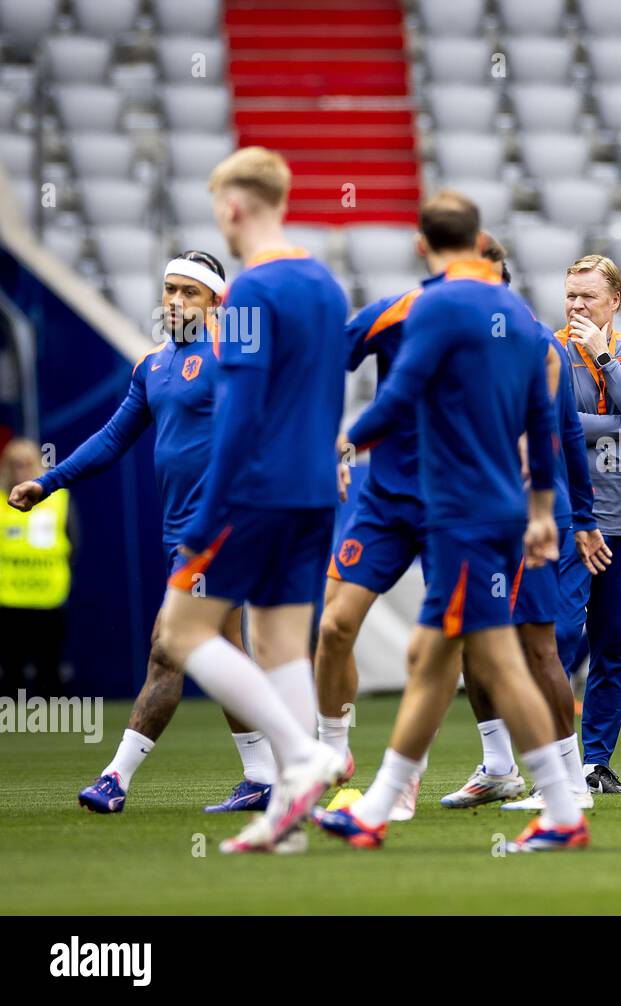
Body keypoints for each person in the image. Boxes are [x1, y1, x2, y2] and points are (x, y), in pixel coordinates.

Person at [313, 190, 587, 853]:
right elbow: (542, 421)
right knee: (446, 658)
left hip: (458, 513)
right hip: (497, 509)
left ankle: (556, 809)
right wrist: (545, 508)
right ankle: (383, 806)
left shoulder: (433, 305)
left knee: (481, 662)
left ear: (421, 245)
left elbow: (400, 396)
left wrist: (344, 440)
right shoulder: (521, 320)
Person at [7, 254, 278, 814]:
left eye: (189, 293)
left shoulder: (234, 359)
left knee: (168, 645)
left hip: (221, 529)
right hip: (178, 532)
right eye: (169, 290)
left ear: (215, 303)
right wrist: (48, 482)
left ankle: (115, 778)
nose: (175, 301)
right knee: (222, 650)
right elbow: (111, 439)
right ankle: (267, 774)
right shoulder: (150, 367)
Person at [156, 147, 351, 854]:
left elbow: (238, 412)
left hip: (253, 495)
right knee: (276, 646)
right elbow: (330, 392)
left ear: (233, 206)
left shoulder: (248, 293)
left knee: (179, 631)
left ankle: (302, 753)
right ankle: (289, 822)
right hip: (311, 495)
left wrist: (208, 514)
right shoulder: (327, 286)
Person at [443, 236, 611, 813]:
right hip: (477, 517)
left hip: (527, 516)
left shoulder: (536, 344)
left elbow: (562, 437)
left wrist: (581, 517)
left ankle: (565, 785)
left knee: (536, 644)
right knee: (474, 639)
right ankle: (498, 767)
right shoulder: (463, 347)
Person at [312, 206, 465, 824]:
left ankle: (420, 778)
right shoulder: (395, 311)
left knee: (452, 647)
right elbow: (329, 363)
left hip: (456, 504)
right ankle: (332, 752)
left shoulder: (501, 323)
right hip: (385, 499)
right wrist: (330, 440)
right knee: (333, 627)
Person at [554, 254, 621, 794]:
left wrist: (604, 358)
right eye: (570, 295)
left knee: (614, 643)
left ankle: (595, 763)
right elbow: (556, 425)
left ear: (613, 301)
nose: (576, 306)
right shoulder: (548, 353)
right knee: (559, 637)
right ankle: (554, 758)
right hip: (570, 518)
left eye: (587, 297)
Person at [1, 437, 76, 699]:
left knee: (49, 670)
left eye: (26, 464)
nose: (21, 470)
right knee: (11, 671)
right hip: (9, 599)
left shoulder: (58, 500)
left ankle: (53, 729)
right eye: (15, 465)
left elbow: (72, 543)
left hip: (49, 596)